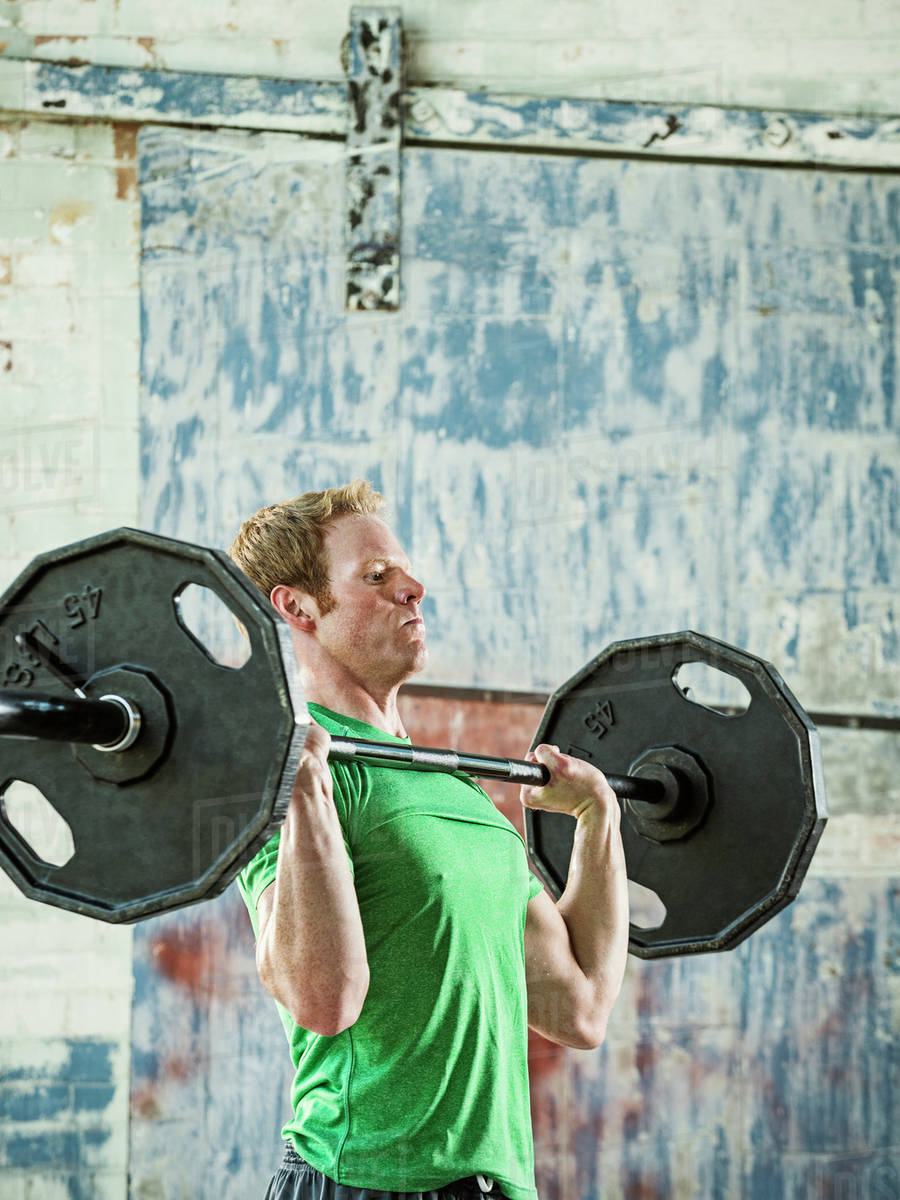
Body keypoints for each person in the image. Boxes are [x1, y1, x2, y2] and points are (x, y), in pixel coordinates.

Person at [229, 480, 630, 1200]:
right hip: (362, 1182)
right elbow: (322, 1001)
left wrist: (600, 820)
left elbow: (580, 1008)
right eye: (376, 578)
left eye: (405, 572)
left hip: (491, 1187)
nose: (413, 589)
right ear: (297, 608)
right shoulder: (296, 782)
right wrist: (304, 793)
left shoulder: (461, 795)